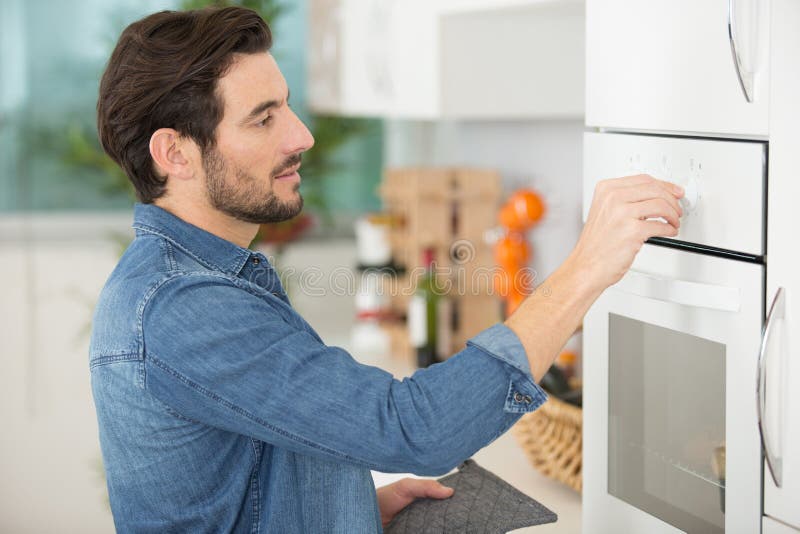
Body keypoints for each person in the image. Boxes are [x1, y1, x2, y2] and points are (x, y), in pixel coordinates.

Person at [90, 6, 683, 533]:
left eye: (287, 106)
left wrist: (347, 511)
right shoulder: (184, 304)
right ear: (175, 153)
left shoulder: (192, 280)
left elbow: (240, 483)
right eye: (263, 119)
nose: (302, 135)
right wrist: (586, 268)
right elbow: (413, 428)